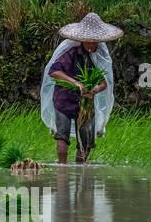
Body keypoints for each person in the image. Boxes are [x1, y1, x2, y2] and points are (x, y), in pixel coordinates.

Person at [40, 12, 120, 164]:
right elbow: (54, 71)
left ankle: (80, 169)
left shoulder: (99, 56)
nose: (91, 45)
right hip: (63, 100)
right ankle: (62, 168)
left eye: (94, 42)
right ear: (82, 40)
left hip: (85, 102)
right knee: (62, 135)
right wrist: (75, 83)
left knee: (86, 138)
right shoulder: (70, 53)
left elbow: (104, 83)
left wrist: (94, 90)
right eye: (88, 41)